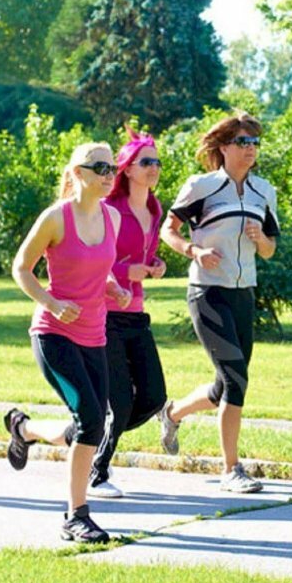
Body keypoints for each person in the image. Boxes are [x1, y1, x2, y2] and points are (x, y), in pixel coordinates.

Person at [5, 142, 131, 543]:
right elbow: (21, 267)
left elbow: (98, 269)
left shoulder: (111, 217)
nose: (109, 174)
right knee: (92, 420)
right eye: (99, 167)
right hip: (53, 333)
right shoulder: (56, 218)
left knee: (89, 421)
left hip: (95, 333)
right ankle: (76, 515)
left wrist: (113, 289)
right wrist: (52, 303)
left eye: (112, 166)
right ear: (78, 173)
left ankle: (23, 429)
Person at [160, 112, 279, 493]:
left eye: (255, 143)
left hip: (244, 293)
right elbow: (168, 230)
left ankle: (173, 412)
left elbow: (271, 251)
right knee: (236, 380)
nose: (251, 149)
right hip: (207, 292)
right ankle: (232, 470)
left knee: (222, 386)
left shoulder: (264, 192)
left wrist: (261, 238)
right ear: (224, 147)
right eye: (243, 142)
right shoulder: (202, 186)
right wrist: (194, 250)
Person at [87, 127, 175, 499]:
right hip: (104, 314)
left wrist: (154, 265)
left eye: (157, 161)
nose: (154, 168)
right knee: (119, 401)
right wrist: (126, 273)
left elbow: (145, 254)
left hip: (136, 312)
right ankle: (97, 471)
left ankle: (87, 432)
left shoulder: (154, 208)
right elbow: (97, 260)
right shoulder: (110, 210)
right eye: (146, 162)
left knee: (154, 396)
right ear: (126, 168)